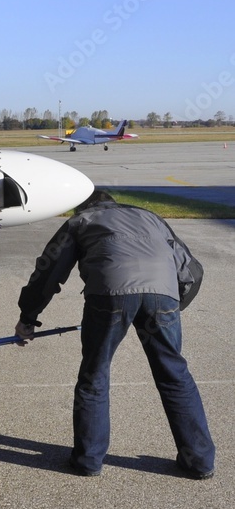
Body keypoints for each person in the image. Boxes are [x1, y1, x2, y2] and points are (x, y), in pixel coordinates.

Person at [14, 190, 215, 479]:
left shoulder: (81, 220)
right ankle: (199, 461)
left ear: (80, 206)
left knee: (95, 375)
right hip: (163, 296)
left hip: (109, 296)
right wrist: (169, 309)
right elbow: (192, 270)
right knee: (174, 375)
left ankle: (89, 460)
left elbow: (48, 271)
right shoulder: (150, 217)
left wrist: (28, 317)